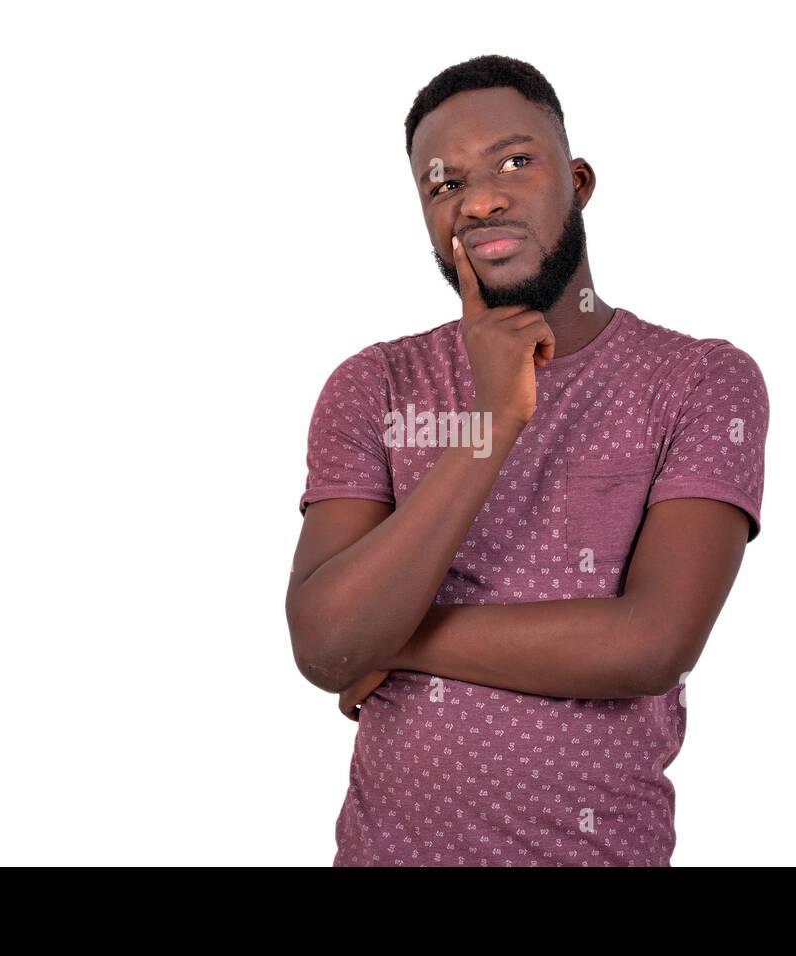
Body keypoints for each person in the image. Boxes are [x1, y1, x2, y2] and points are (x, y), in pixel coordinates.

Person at [286, 54, 769, 866]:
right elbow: (324, 645)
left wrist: (394, 640)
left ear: (578, 181)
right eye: (444, 185)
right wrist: (493, 422)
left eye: (516, 160)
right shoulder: (375, 384)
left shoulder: (702, 381)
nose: (480, 198)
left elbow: (650, 644)